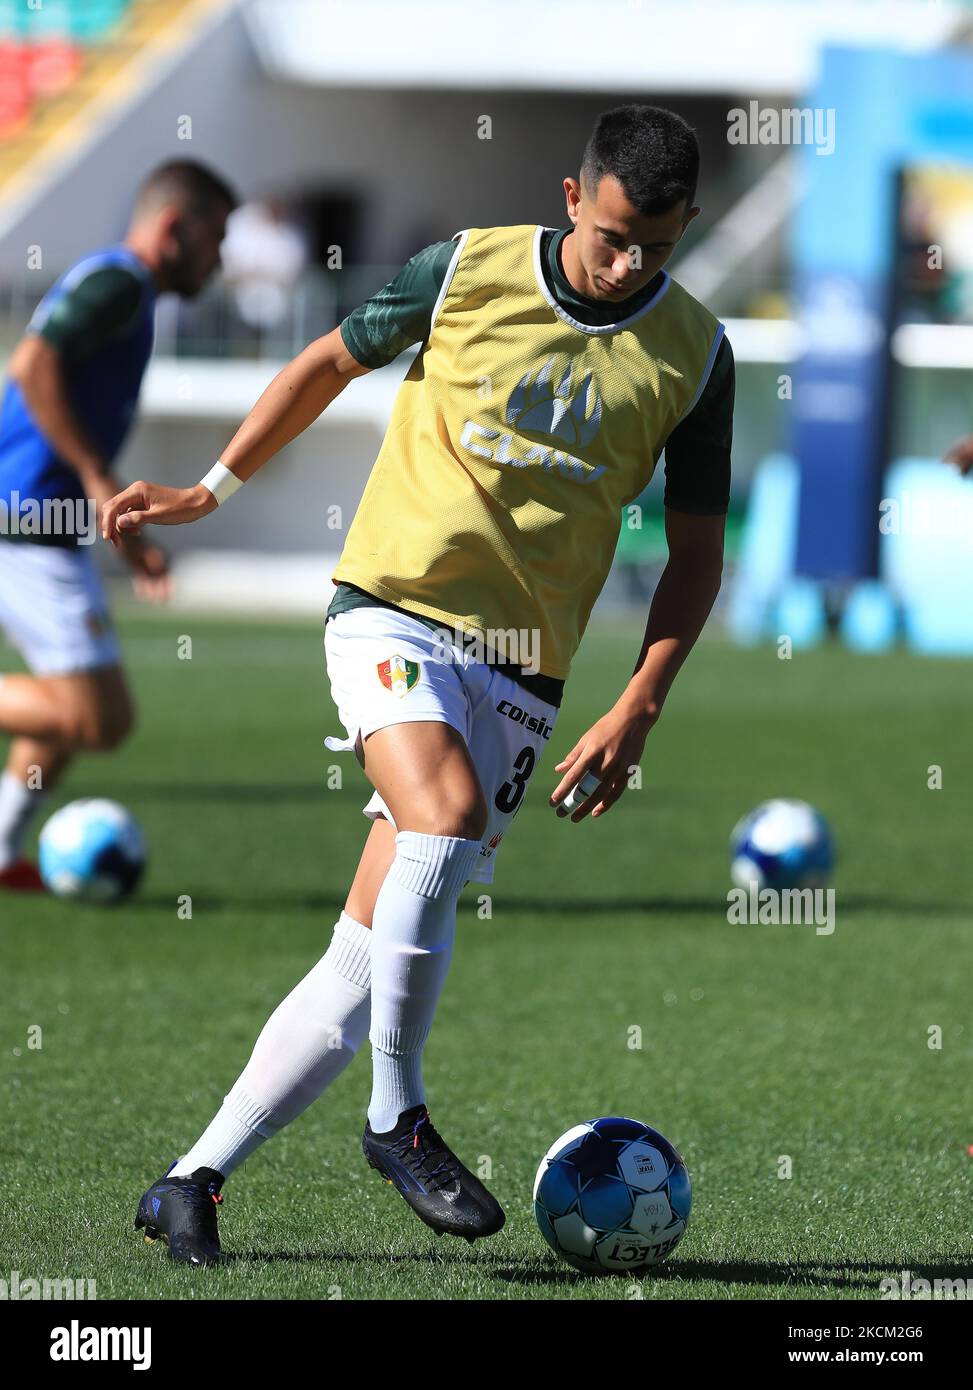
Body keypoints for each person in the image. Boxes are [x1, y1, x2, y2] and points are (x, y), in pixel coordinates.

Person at [102, 106, 733, 1265]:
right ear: (570, 195)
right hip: (390, 609)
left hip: (523, 675)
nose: (626, 263)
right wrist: (210, 491)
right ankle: (398, 1116)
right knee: (436, 820)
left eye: (654, 242)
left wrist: (637, 703)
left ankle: (190, 1179)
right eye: (608, 234)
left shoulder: (696, 354)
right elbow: (326, 361)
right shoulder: (465, 270)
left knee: (363, 953)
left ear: (687, 223)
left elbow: (696, 553)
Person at [0, 160, 236, 891]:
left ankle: (1, 845)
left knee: (70, 706)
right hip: (25, 517)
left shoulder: (119, 286)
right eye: (216, 237)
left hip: (42, 518)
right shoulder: (122, 282)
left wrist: (126, 533)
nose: (219, 258)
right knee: (99, 719)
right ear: (175, 226)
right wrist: (98, 479)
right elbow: (34, 365)